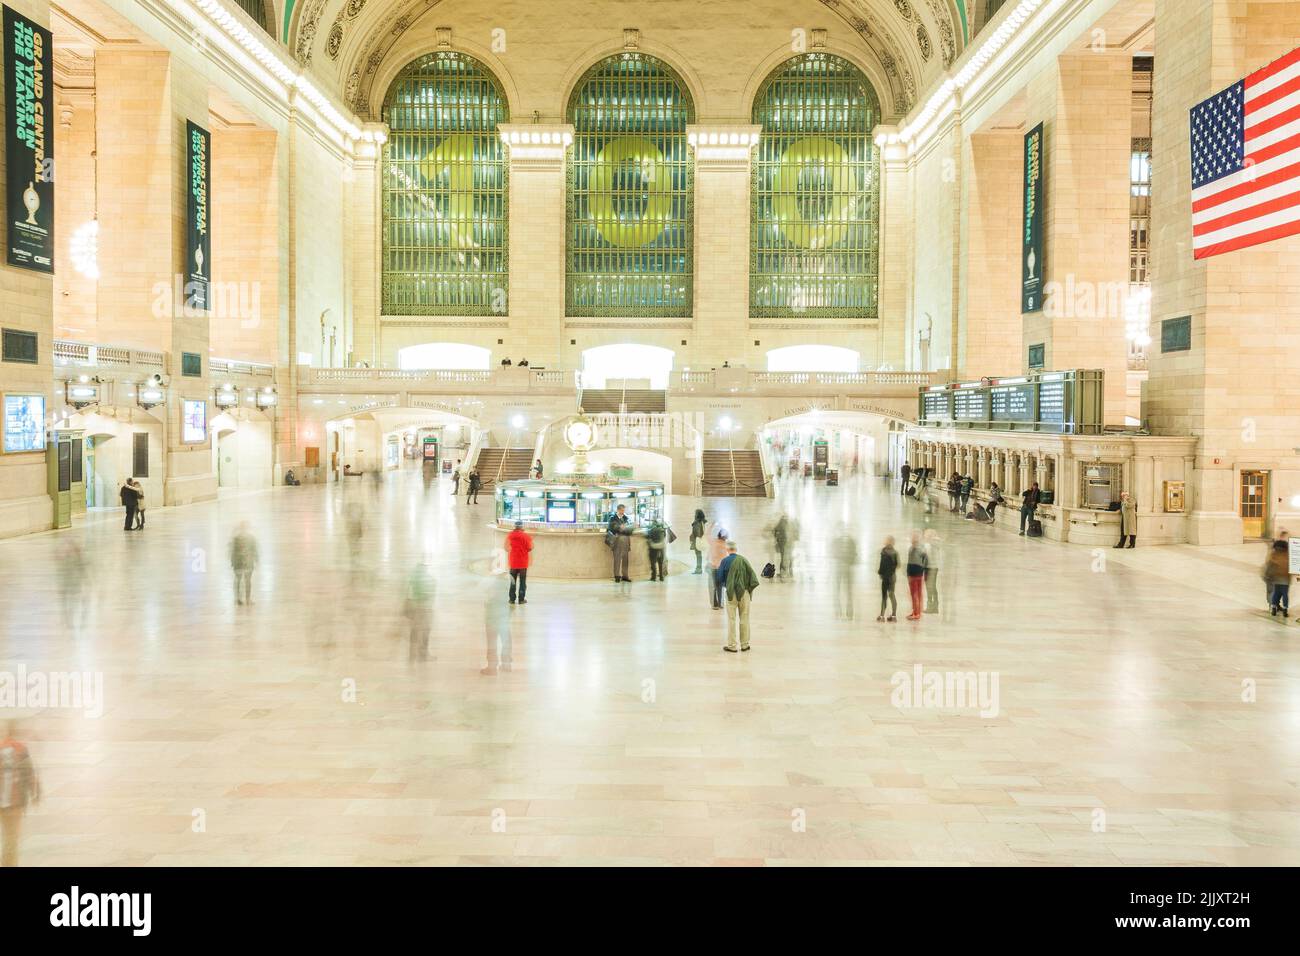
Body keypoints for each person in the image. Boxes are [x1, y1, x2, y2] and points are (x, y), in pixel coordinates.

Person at [0, 723, 40, 868]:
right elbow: (29, 774)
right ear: (16, 731)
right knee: (12, 839)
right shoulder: (21, 749)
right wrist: (35, 794)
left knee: (8, 839)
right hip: (14, 803)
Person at [720, 540, 759, 652]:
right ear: (736, 549)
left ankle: (732, 645)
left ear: (727, 550)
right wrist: (747, 590)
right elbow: (753, 578)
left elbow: (720, 578)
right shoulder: (744, 560)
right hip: (744, 593)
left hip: (731, 594)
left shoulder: (724, 561)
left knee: (731, 619)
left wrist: (727, 585)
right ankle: (745, 644)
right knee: (744, 618)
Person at [403, 562, 434, 660]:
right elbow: (426, 594)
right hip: (423, 607)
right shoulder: (425, 578)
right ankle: (423, 654)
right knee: (425, 630)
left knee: (415, 631)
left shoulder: (412, 576)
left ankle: (412, 654)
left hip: (414, 606)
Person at [229, 521, 259, 606]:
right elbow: (255, 550)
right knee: (247, 581)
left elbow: (232, 551)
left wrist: (232, 562)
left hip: (238, 563)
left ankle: (238, 598)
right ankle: (247, 599)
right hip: (248, 562)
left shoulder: (236, 538)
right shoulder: (251, 538)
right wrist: (256, 560)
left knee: (238, 581)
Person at [832, 527, 858, 620]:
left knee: (839, 590)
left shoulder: (837, 541)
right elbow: (855, 554)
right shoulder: (851, 541)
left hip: (841, 567)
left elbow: (833, 553)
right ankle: (847, 612)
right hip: (846, 567)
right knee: (847, 591)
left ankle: (840, 612)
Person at [1263, 539, 1292, 617]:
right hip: (1285, 581)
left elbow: (1269, 565)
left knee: (1275, 594)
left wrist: (1267, 575)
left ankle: (1273, 608)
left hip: (1276, 580)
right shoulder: (1287, 556)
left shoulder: (1274, 555)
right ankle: (1285, 609)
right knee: (1285, 595)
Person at [506, 520, 532, 604]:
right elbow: (530, 548)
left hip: (513, 562)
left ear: (515, 526)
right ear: (521, 526)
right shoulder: (526, 536)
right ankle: (521, 599)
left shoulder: (510, 535)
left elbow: (506, 547)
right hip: (523, 562)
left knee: (513, 581)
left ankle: (511, 599)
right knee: (522, 581)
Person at [905, 530, 928, 621]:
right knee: (917, 593)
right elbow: (925, 560)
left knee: (914, 593)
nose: (912, 539)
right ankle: (916, 612)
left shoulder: (914, 548)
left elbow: (912, 562)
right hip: (918, 572)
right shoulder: (920, 548)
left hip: (914, 573)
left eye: (913, 537)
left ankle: (916, 613)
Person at [877, 535, 899, 622]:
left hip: (886, 577)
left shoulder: (884, 552)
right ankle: (893, 616)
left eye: (886, 540)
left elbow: (882, 565)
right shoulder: (895, 552)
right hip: (892, 577)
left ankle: (882, 616)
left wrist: (880, 572)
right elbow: (898, 564)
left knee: (884, 596)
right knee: (891, 595)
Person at [608, 504, 632, 583]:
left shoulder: (626, 518)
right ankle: (617, 576)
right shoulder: (612, 518)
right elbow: (611, 528)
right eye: (622, 510)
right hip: (617, 541)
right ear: (618, 510)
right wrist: (620, 528)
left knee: (626, 560)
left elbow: (630, 529)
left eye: (624, 510)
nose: (623, 512)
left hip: (626, 541)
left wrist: (623, 528)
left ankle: (625, 576)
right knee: (617, 559)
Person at [707, 528, 728, 609]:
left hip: (714, 568)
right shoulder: (725, 545)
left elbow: (707, 535)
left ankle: (715, 604)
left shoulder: (713, 542)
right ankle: (719, 604)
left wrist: (711, 525)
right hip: (720, 569)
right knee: (719, 587)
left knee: (714, 587)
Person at [923, 528, 942, 614]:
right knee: (931, 587)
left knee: (931, 587)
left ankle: (932, 606)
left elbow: (927, 555)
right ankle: (932, 606)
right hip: (929, 567)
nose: (924, 536)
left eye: (926, 534)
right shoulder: (929, 544)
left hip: (932, 567)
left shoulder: (933, 543)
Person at [689, 509, 707, 574]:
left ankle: (698, 569)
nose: (694, 515)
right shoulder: (702, 522)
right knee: (699, 555)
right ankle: (699, 569)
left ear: (697, 515)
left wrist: (693, 537)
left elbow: (697, 532)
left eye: (695, 513)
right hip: (699, 540)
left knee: (698, 555)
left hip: (697, 540)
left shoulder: (697, 523)